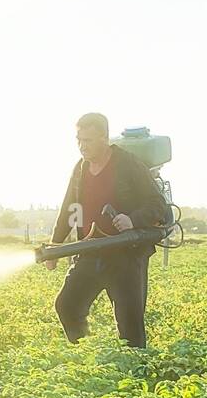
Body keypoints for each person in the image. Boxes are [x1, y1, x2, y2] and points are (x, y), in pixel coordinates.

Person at [46, 112, 168, 349]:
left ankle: (136, 375)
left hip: (126, 257)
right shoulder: (80, 169)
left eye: (88, 140)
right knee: (67, 306)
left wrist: (132, 220)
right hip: (90, 252)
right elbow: (69, 211)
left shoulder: (128, 164)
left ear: (104, 137)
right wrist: (56, 247)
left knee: (130, 329)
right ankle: (88, 355)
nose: (82, 146)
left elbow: (158, 205)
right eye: (79, 140)